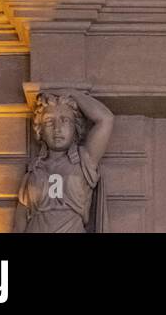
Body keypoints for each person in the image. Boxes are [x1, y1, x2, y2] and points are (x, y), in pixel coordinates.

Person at [13, 89, 114, 233]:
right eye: (49, 121)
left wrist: (71, 93)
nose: (57, 129)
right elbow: (19, 225)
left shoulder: (84, 160)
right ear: (39, 129)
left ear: (76, 127)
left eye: (65, 120)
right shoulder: (33, 171)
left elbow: (106, 119)